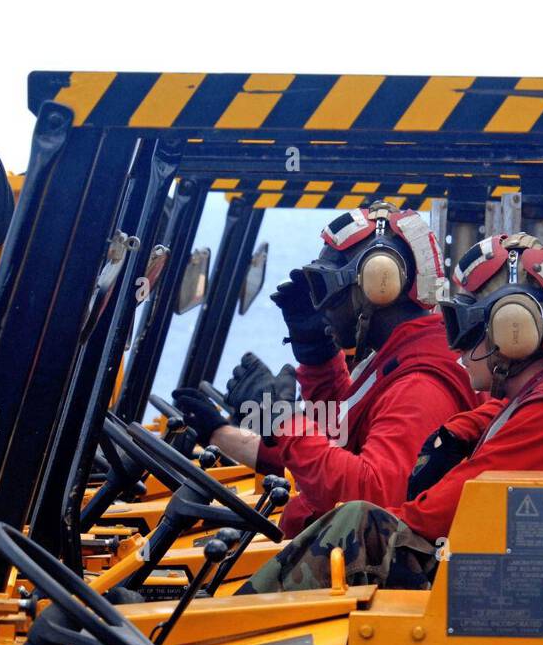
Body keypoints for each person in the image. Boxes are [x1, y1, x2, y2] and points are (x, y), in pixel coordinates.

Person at [238, 232, 543, 593]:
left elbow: (413, 514)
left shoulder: (539, 413)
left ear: (513, 330)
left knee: (358, 525)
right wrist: (457, 432)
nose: (454, 345)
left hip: (506, 590)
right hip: (534, 575)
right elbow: (346, 430)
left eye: (464, 325)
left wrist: (286, 426)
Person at [173, 201, 477, 537]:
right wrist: (316, 356)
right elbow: (340, 437)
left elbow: (372, 499)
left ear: (379, 287)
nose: (320, 308)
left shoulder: (420, 387)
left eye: (327, 291)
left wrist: (282, 420)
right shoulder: (397, 358)